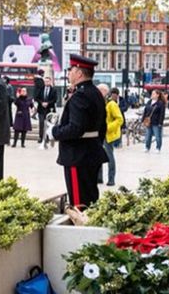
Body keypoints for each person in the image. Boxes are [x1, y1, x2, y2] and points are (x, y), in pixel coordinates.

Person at [48, 55, 108, 209]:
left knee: (79, 203)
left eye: (71, 70)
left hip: (78, 155)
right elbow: (102, 127)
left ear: (79, 73)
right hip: (91, 152)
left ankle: (82, 232)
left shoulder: (80, 96)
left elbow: (76, 128)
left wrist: (55, 132)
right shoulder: (95, 93)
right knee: (91, 200)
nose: (69, 73)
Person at [100, 86, 124, 186]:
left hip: (108, 134)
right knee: (98, 156)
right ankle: (99, 177)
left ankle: (111, 179)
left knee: (109, 156)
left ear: (105, 91)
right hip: (100, 133)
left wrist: (107, 127)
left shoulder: (112, 104)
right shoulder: (102, 102)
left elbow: (119, 119)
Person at [34, 70, 58, 148]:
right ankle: (41, 137)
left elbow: (55, 99)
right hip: (41, 109)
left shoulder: (53, 90)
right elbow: (36, 97)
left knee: (49, 124)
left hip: (50, 109)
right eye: (45, 81)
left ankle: (47, 137)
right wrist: (42, 103)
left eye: (48, 81)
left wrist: (48, 103)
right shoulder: (40, 89)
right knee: (41, 123)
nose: (46, 83)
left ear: (50, 82)